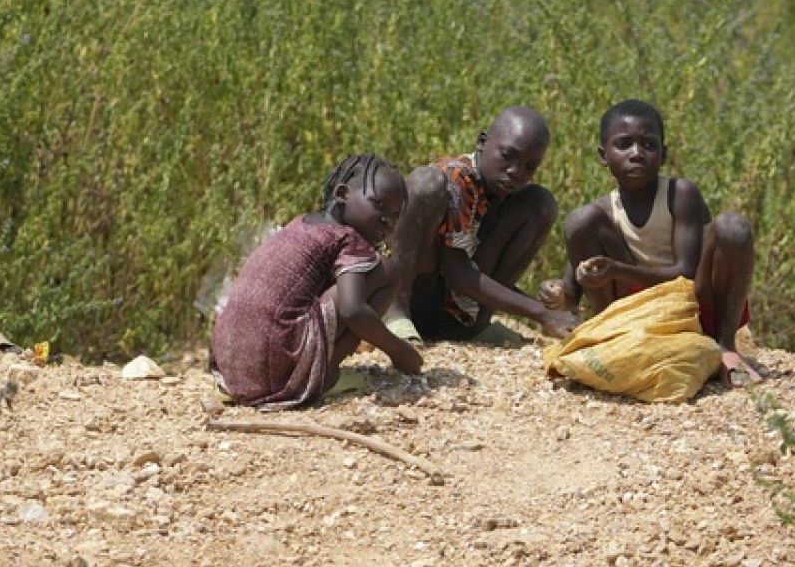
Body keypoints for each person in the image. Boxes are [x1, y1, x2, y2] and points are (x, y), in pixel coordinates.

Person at [542, 98, 762, 385]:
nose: (637, 153)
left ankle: (726, 347)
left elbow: (686, 273)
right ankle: (611, 334)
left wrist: (617, 270)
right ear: (603, 155)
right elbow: (571, 290)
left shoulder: (680, 194)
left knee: (734, 228)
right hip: (636, 314)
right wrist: (557, 292)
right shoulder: (602, 213)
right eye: (624, 145)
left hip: (695, 308)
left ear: (663, 154)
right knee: (579, 220)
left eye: (648, 144)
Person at [210, 153, 424, 409]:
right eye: (379, 205)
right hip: (274, 370)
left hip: (231, 370)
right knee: (387, 272)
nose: (387, 221)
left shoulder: (299, 224)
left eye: (395, 215)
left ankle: (304, 368)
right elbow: (352, 310)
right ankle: (325, 376)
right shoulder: (348, 238)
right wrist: (399, 351)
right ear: (343, 194)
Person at [383, 106, 578, 343]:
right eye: (507, 155)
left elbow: (472, 274)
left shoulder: (502, 193)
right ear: (482, 142)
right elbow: (457, 273)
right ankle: (394, 310)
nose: (516, 171)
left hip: (452, 305)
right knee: (426, 183)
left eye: (529, 167)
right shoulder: (457, 177)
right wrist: (541, 312)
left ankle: (475, 325)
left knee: (541, 203)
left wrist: (552, 307)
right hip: (419, 293)